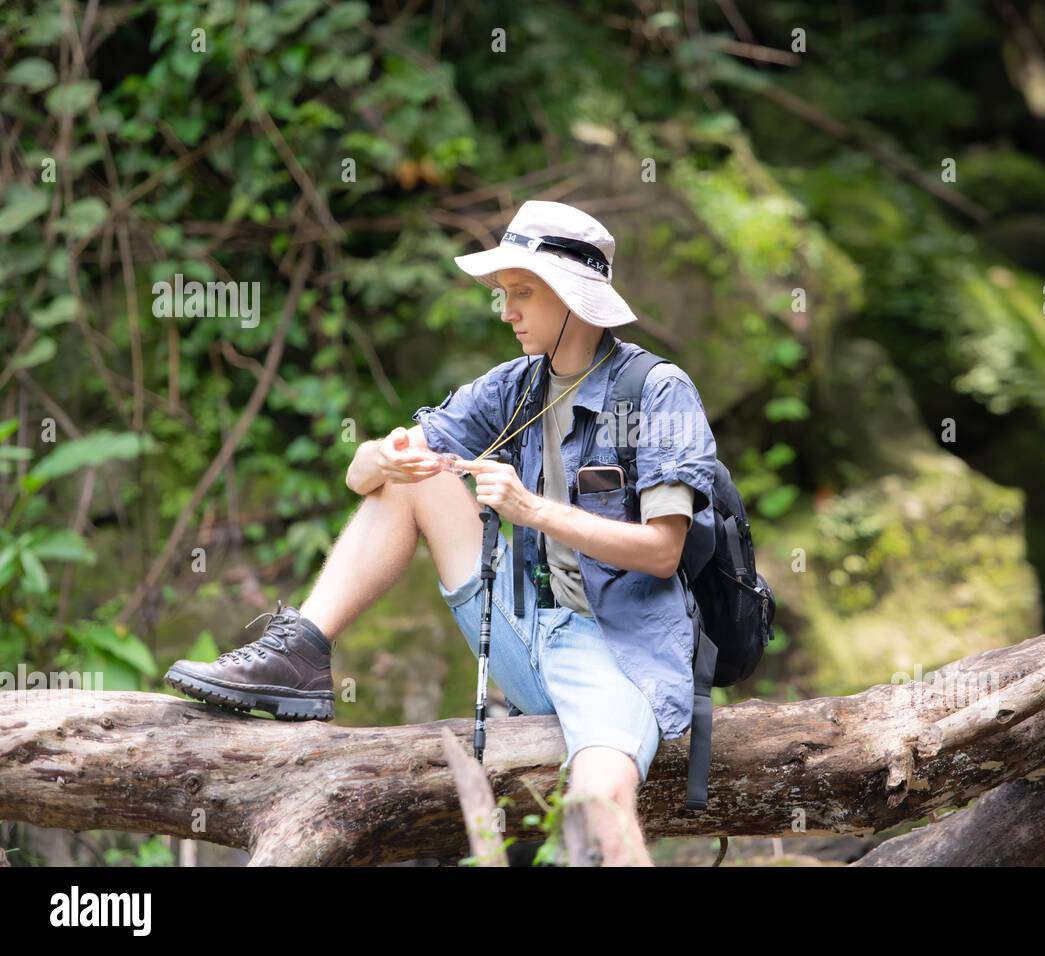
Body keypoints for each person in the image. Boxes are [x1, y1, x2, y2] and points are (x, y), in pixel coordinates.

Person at [165, 200, 718, 866]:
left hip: (620, 656)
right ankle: (301, 655)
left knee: (600, 803)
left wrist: (532, 510)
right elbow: (359, 473)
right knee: (409, 479)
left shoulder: (659, 390)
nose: (505, 311)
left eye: (522, 294)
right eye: (502, 295)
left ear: (574, 297)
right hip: (527, 633)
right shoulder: (514, 385)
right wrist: (385, 457)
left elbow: (664, 553)